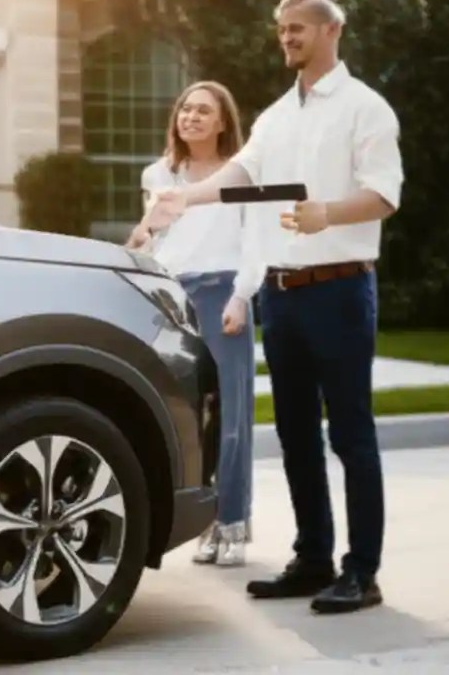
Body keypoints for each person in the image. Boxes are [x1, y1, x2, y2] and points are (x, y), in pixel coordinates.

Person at [144, 0, 404, 615]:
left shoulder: (366, 109)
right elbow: (241, 175)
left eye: (298, 28)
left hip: (340, 288)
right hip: (283, 299)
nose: (287, 38)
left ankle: (360, 571)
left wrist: (327, 213)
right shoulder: (275, 116)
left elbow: (385, 194)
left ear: (330, 32)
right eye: (282, 28)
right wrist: (185, 199)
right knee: (294, 434)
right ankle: (313, 558)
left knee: (350, 434)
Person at [127, 80, 262, 567]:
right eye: (186, 108)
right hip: (174, 295)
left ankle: (234, 524)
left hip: (224, 292)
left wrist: (243, 296)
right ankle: (208, 521)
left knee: (231, 416)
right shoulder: (158, 173)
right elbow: (147, 241)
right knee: (192, 419)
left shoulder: (239, 174)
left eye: (204, 111)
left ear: (223, 122)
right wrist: (145, 230)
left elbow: (255, 243)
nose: (192, 117)